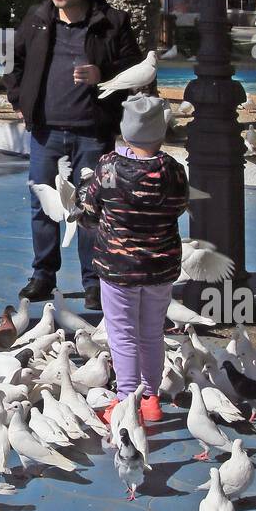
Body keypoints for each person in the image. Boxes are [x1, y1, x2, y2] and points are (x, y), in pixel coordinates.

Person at [3, 0, 143, 310]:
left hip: (91, 133)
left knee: (91, 209)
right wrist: (19, 100)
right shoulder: (37, 19)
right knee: (42, 207)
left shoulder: (111, 22)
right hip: (45, 133)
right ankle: (43, 276)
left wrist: (104, 75)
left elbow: (136, 71)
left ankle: (93, 281)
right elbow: (12, 61)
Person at [78, 94, 189, 425]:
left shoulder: (109, 168)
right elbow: (179, 206)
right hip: (160, 267)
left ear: (126, 132)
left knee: (123, 333)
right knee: (152, 331)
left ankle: (127, 399)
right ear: (161, 131)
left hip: (118, 268)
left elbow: (90, 211)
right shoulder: (173, 170)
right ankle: (151, 399)